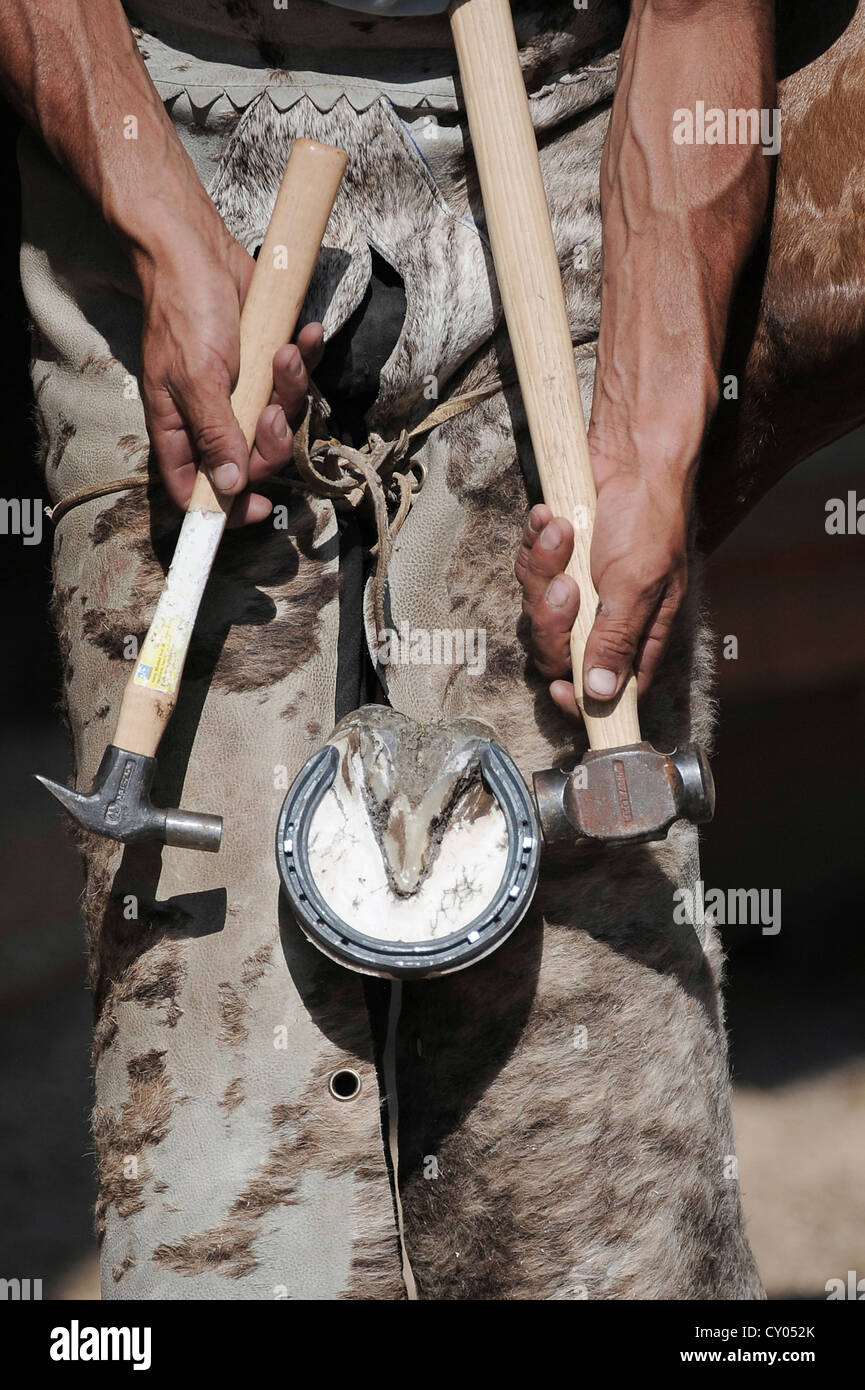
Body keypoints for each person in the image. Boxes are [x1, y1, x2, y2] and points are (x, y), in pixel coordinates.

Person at [1, 0, 772, 1298]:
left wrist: (647, 414)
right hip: (152, 129)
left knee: (603, 1179)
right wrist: (154, 213)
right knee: (231, 1188)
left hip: (573, 130)